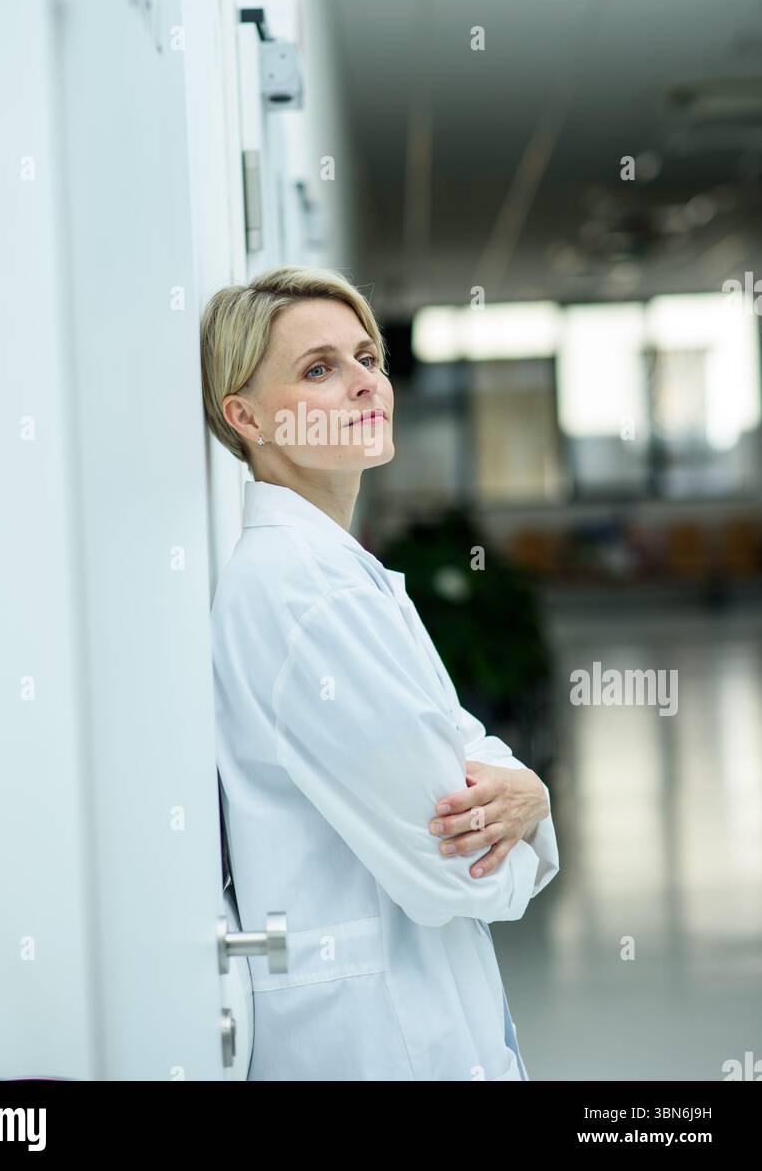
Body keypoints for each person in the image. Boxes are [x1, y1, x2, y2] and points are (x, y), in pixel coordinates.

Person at [200, 264, 559, 1081]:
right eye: (319, 369)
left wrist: (519, 794)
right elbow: (457, 859)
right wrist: (526, 807)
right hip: (374, 1043)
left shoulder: (330, 571)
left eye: (369, 357)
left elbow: (458, 747)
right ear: (244, 415)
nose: (365, 384)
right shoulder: (304, 595)